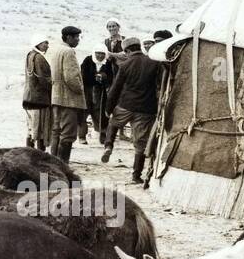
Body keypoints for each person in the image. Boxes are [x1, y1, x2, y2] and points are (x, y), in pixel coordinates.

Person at [102, 35, 164, 183]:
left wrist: (108, 108)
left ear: (128, 50)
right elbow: (159, 86)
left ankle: (109, 145)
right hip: (145, 109)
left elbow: (115, 89)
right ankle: (136, 175)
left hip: (126, 105)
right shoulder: (154, 63)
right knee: (140, 143)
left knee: (113, 123)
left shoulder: (125, 65)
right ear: (139, 47)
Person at [47, 25, 87, 161]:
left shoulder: (56, 49)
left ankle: (54, 162)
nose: (78, 40)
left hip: (57, 96)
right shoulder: (68, 51)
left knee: (56, 131)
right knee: (68, 134)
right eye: (76, 37)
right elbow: (71, 77)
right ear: (68, 37)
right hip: (68, 99)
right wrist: (80, 89)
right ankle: (63, 164)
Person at [22, 35, 54, 151]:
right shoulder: (39, 58)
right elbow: (44, 79)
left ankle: (28, 152)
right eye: (45, 43)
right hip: (39, 99)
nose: (47, 45)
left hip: (28, 96)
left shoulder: (29, 55)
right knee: (41, 128)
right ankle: (40, 154)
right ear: (38, 43)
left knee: (31, 127)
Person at [80, 47, 116, 145]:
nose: (100, 56)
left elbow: (111, 77)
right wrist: (95, 77)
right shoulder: (88, 60)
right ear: (94, 53)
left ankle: (102, 136)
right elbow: (83, 75)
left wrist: (104, 77)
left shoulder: (108, 63)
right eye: (98, 53)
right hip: (88, 91)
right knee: (84, 112)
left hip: (100, 92)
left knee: (100, 113)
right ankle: (82, 136)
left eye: (102, 53)